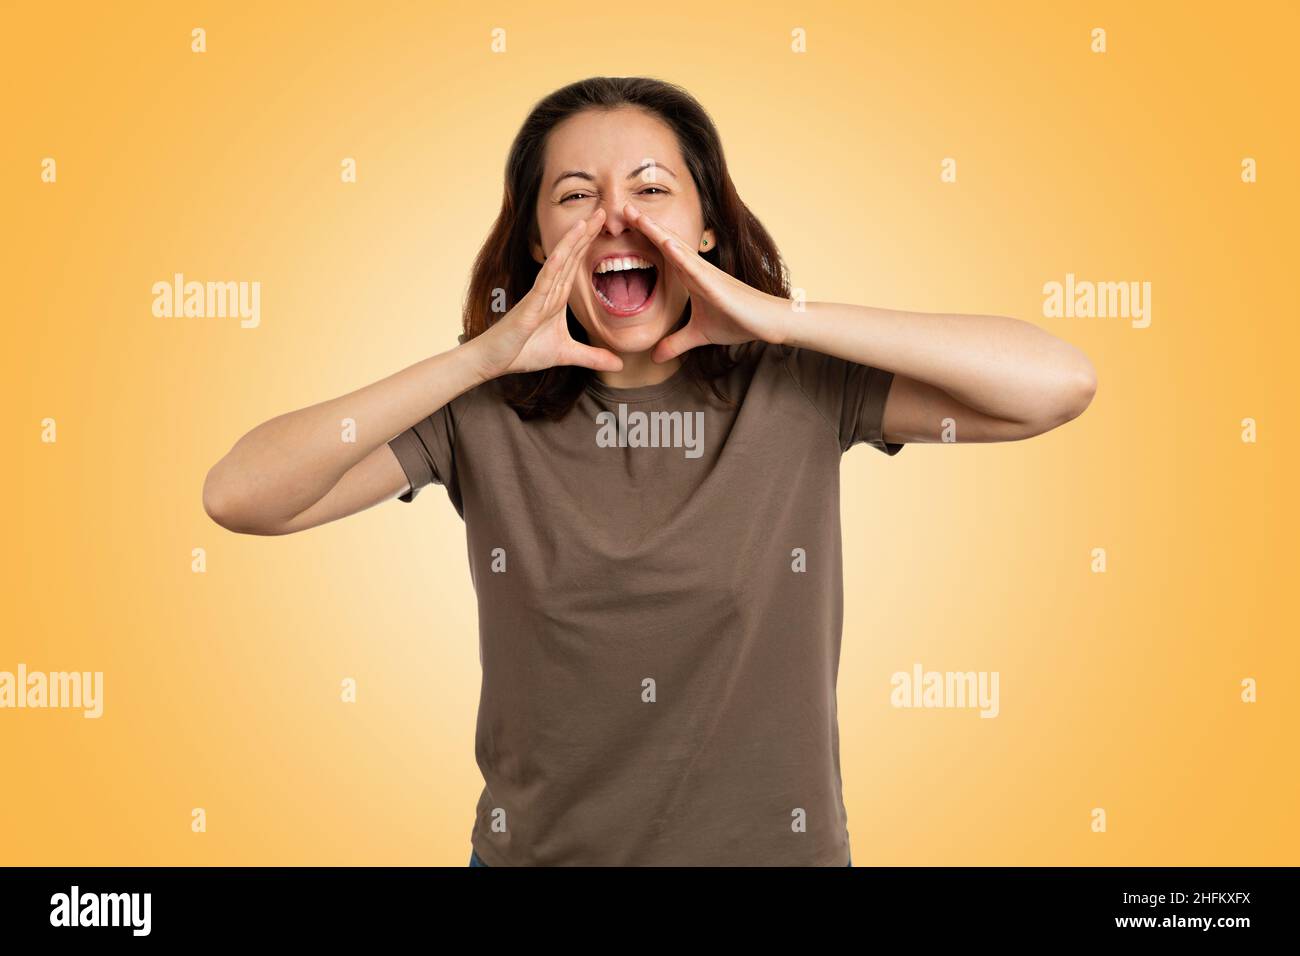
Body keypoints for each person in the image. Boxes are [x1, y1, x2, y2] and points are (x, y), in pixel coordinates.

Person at [203, 76, 1096, 867]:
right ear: (534, 239)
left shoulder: (798, 384)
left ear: (707, 224)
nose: (617, 218)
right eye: (576, 196)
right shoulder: (481, 409)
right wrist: (478, 359)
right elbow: (241, 496)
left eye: (652, 190)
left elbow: (1055, 386)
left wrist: (787, 319)